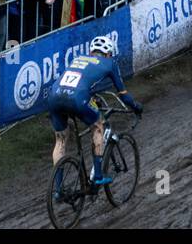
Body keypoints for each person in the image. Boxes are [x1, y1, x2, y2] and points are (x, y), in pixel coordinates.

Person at [47, 35, 142, 189]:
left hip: (54, 97)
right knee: (98, 126)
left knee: (60, 141)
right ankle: (98, 175)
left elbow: (78, 81)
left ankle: (58, 188)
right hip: (77, 99)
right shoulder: (110, 63)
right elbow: (123, 95)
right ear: (109, 53)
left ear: (91, 51)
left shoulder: (78, 59)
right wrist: (136, 107)